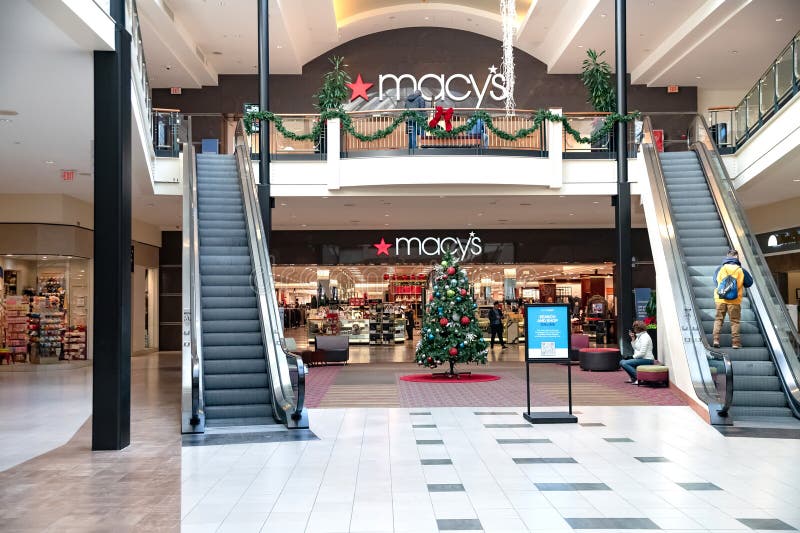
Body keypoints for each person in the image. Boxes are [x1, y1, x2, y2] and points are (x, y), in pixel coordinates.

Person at [712, 249, 753, 349]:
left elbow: (715, 282)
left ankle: (716, 340)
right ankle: (735, 343)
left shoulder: (720, 269)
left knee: (718, 319)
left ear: (727, 256)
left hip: (720, 299)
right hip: (734, 300)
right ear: (737, 257)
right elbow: (749, 283)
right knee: (734, 321)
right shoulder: (741, 270)